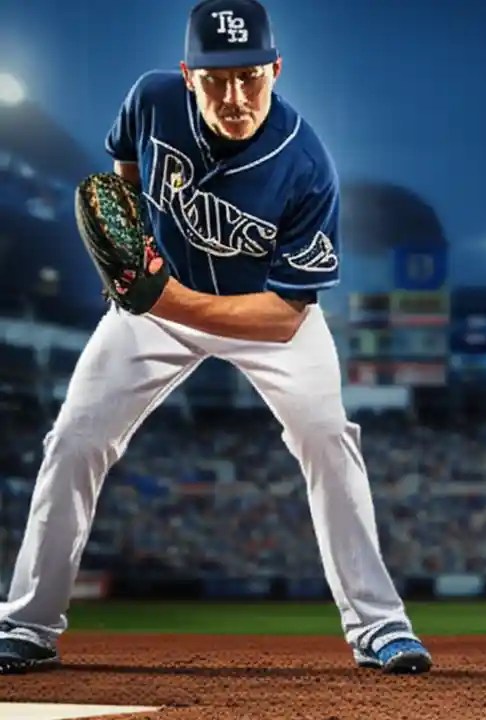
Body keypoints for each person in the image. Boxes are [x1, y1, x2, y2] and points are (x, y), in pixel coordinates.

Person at [0, 0, 430, 675]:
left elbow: (286, 314)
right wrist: (135, 251)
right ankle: (28, 624)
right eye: (216, 79)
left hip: (260, 313)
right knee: (74, 440)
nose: (235, 98)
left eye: (250, 77)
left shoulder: (306, 165)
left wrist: (166, 296)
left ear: (276, 70)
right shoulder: (151, 100)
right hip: (156, 306)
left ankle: (380, 625)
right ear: (187, 75)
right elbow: (125, 171)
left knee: (328, 439)